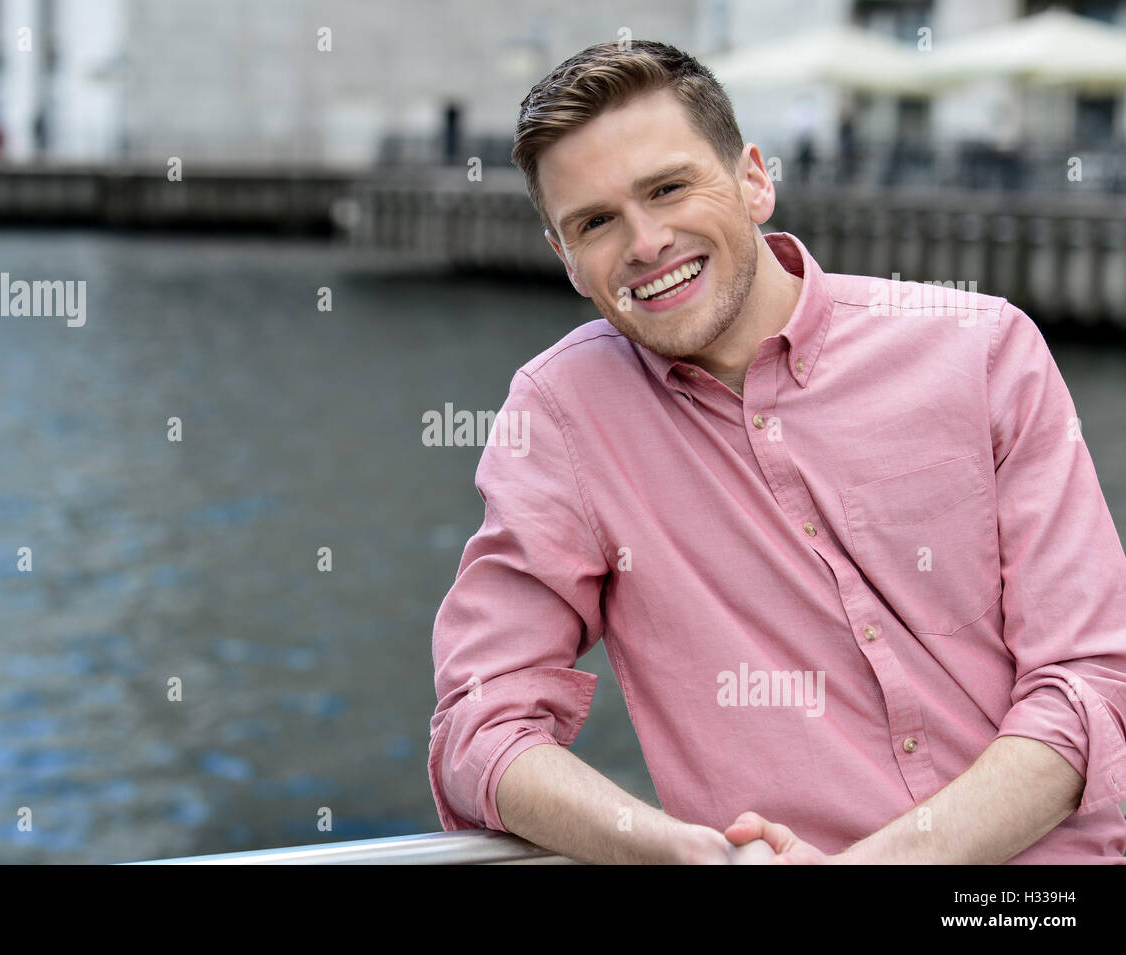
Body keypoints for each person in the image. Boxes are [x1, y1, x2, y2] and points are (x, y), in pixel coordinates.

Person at [427, 39, 1126, 864]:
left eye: (668, 187)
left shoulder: (983, 350)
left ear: (755, 180)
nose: (646, 242)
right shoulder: (562, 418)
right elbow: (480, 721)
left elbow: (1090, 687)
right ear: (567, 260)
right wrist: (673, 850)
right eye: (596, 222)